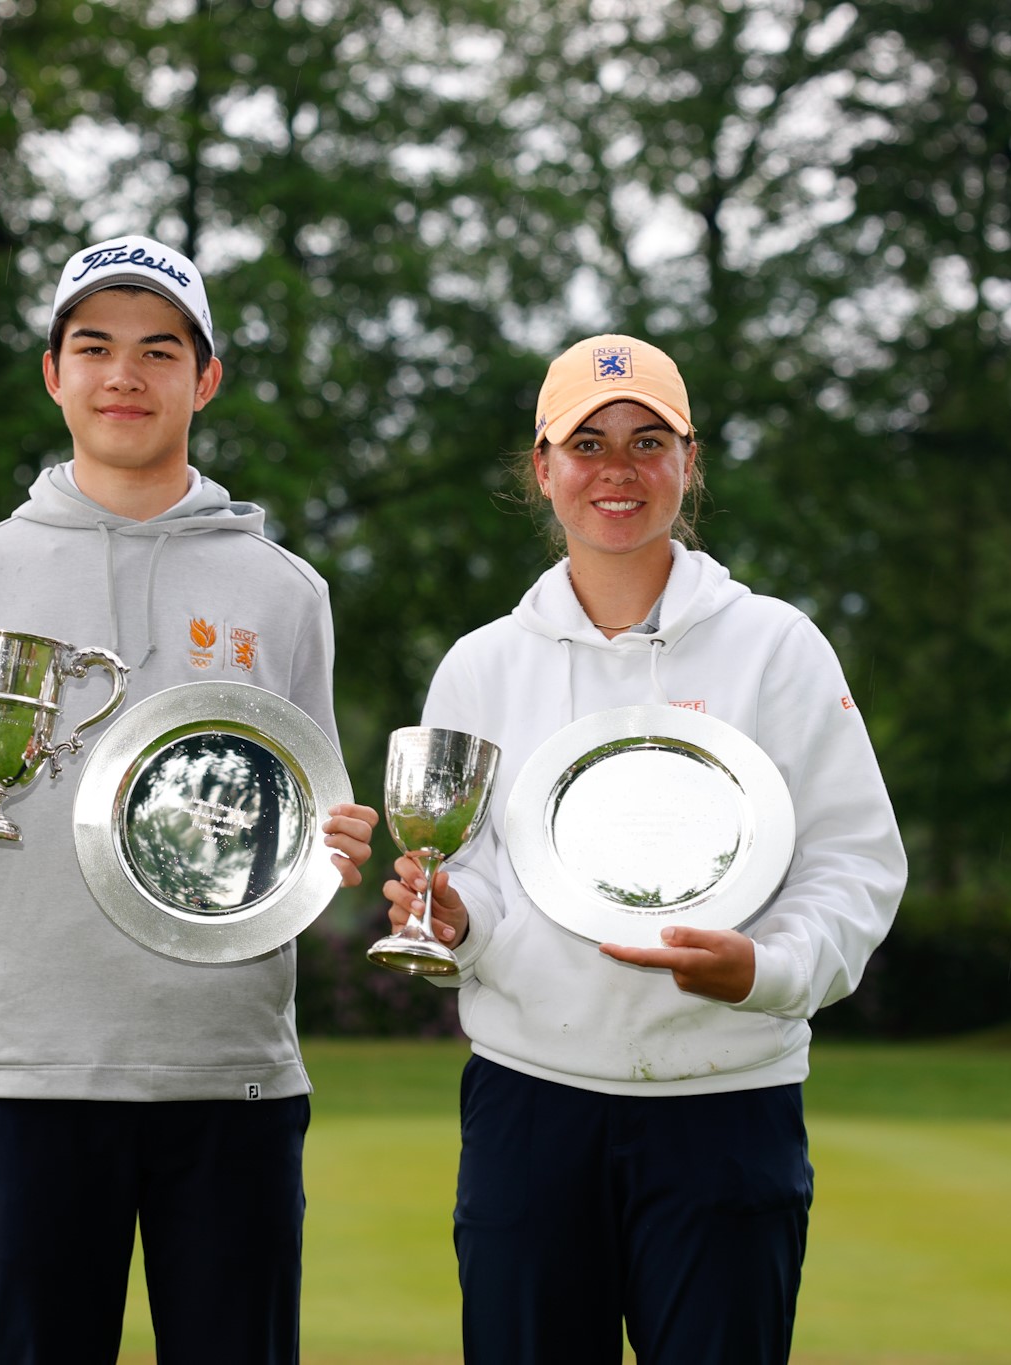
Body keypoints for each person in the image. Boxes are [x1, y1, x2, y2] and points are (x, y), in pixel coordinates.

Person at [0, 234, 379, 1365]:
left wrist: (338, 842)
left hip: (234, 1075)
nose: (124, 374)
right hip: (33, 1073)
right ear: (54, 373)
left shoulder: (286, 591)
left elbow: (300, 814)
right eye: (94, 347)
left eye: (158, 350)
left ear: (204, 379)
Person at [381, 334, 906, 1364]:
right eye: (586, 444)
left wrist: (767, 969)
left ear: (688, 462)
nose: (615, 470)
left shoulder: (776, 647)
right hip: (530, 1103)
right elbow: (467, 874)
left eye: (646, 442)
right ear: (542, 467)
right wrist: (456, 920)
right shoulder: (482, 665)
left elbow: (854, 861)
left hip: (726, 1101)